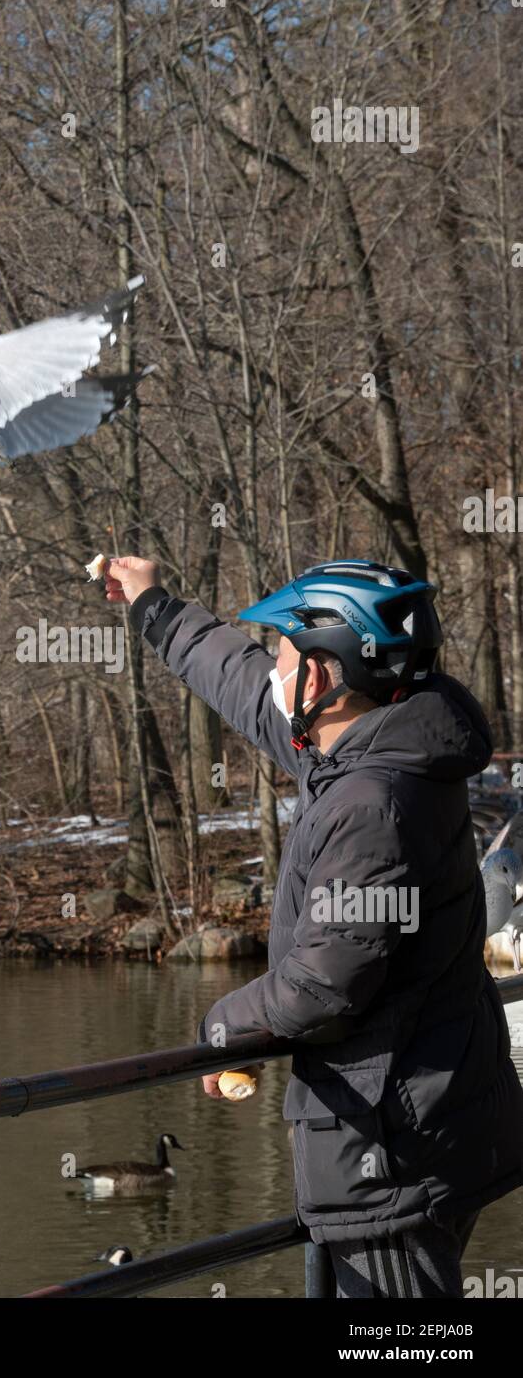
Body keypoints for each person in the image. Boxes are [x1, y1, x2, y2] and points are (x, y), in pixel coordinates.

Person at [104, 555, 523, 1298]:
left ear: (323, 678)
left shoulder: (370, 805)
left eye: (286, 655)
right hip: (424, 1121)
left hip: (391, 1144)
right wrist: (153, 609)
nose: (273, 668)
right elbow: (240, 681)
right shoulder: (380, 751)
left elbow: (323, 985)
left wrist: (224, 1023)